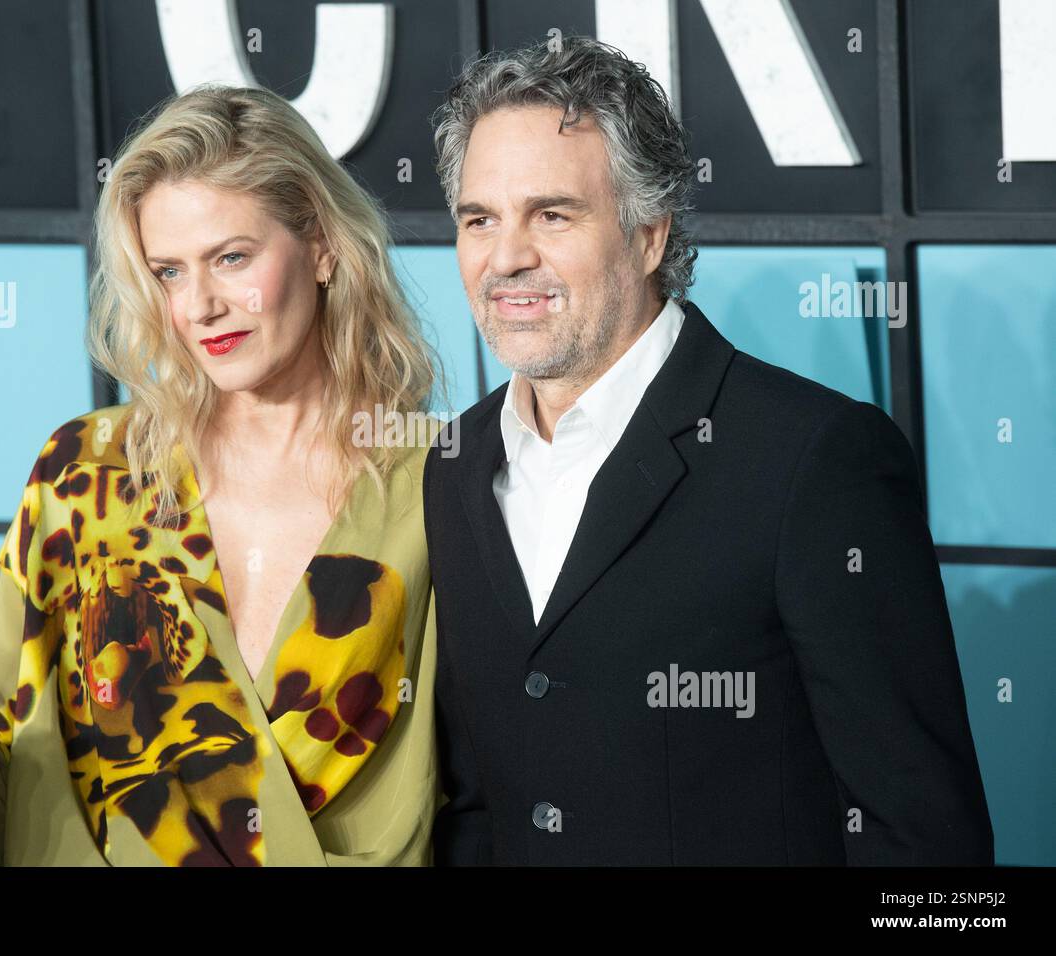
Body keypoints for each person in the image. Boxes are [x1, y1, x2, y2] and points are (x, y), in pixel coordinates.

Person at [0, 84, 444, 866]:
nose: (202, 305)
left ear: (321, 246)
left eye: (233, 258)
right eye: (169, 272)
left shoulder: (439, 483)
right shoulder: (84, 472)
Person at [424, 37, 994, 865]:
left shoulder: (813, 461)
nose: (506, 257)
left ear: (649, 233)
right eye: (480, 219)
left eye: (552, 214)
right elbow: (477, 803)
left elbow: (925, 842)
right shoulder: (452, 467)